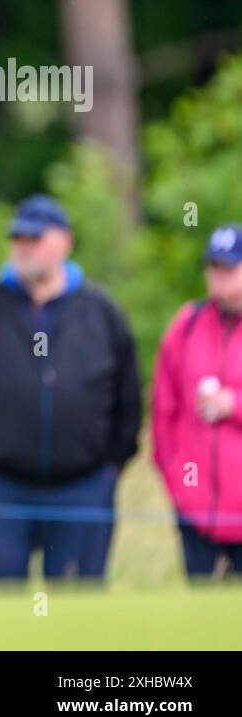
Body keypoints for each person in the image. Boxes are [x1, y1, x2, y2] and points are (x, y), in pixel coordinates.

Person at [0, 194, 141, 581]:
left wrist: (110, 468)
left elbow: (128, 400)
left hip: (82, 486)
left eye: (36, 238)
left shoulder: (101, 312)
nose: (25, 248)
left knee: (77, 619)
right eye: (18, 239)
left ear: (65, 242)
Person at [152, 224, 242, 578]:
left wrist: (234, 406)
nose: (218, 278)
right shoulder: (187, 326)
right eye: (213, 268)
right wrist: (178, 481)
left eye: (229, 269)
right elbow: (164, 412)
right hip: (198, 512)